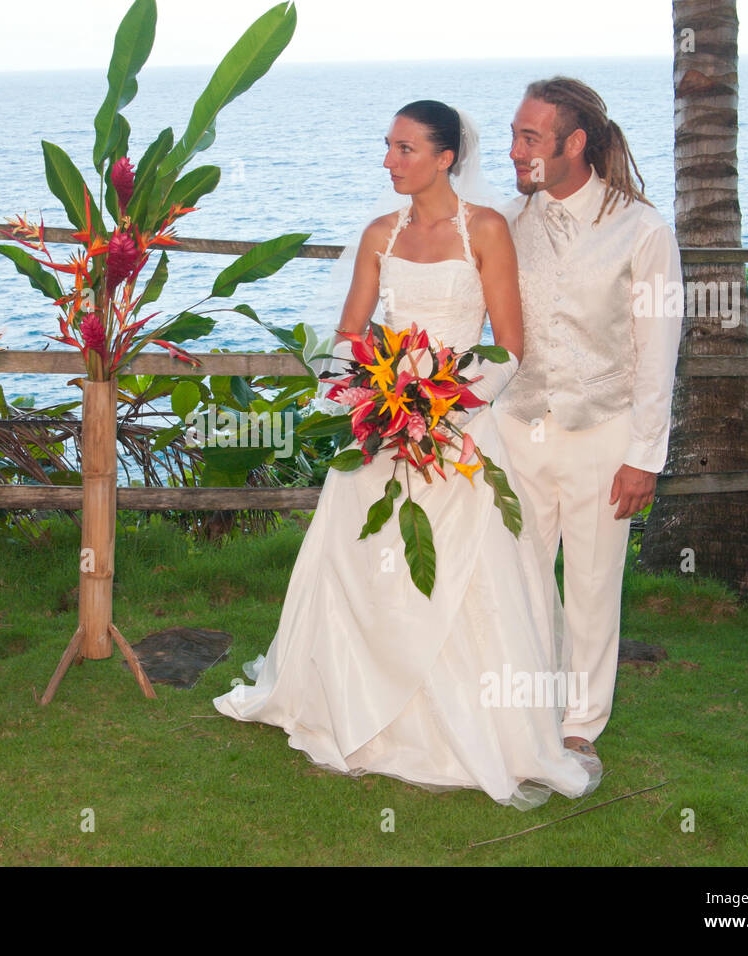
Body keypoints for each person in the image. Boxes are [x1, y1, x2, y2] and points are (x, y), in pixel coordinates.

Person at [214, 101, 599, 809]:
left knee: (466, 579)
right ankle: (346, 705)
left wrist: (443, 404)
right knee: (363, 567)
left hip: (460, 432)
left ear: (445, 157)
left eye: (404, 148)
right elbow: (346, 335)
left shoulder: (485, 229)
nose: (389, 160)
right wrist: (367, 397)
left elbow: (509, 344)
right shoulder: (378, 236)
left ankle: (469, 729)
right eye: (387, 147)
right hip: (382, 432)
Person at [496, 77, 683, 770]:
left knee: (595, 584)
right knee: (519, 574)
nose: (515, 149)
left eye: (530, 138)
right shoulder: (509, 220)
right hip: (518, 426)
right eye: (515, 133)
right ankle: (524, 710)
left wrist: (645, 456)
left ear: (575, 144)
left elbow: (657, 350)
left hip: (603, 433)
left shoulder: (643, 230)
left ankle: (580, 725)